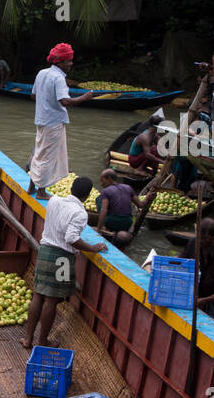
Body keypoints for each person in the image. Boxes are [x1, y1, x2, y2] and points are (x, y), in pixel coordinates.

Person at [23, 176, 107, 348]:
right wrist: (92, 248)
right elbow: (71, 238)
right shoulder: (80, 213)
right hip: (62, 258)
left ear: (71, 189)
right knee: (52, 300)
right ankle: (42, 340)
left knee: (38, 295)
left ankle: (28, 339)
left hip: (45, 250)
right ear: (87, 196)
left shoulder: (54, 201)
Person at [28, 43, 94, 200]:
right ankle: (41, 191)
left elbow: (33, 96)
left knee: (39, 152)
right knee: (48, 157)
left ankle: (31, 187)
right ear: (61, 62)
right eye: (68, 61)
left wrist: (47, 102)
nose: (71, 64)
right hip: (53, 122)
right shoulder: (58, 78)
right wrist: (84, 98)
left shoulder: (42, 73)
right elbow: (65, 101)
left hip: (41, 120)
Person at [180, 218, 214, 319]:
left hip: (213, 301)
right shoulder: (193, 243)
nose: (200, 240)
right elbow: (181, 261)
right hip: (194, 293)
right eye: (199, 236)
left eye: (204, 238)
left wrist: (203, 300)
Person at [96, 169, 144, 245]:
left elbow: (103, 210)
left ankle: (108, 228)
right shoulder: (128, 187)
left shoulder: (105, 191)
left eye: (102, 180)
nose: (101, 183)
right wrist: (148, 196)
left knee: (98, 198)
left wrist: (98, 228)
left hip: (112, 222)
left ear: (109, 179)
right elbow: (141, 205)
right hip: (128, 222)